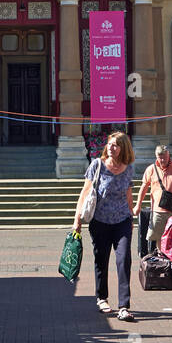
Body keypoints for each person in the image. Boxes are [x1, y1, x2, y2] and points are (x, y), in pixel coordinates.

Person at [73, 131, 136, 321]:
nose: (111, 147)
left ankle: (124, 306)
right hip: (99, 221)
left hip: (122, 221)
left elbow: (128, 194)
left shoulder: (128, 168)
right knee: (101, 260)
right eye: (110, 144)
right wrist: (77, 220)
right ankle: (102, 297)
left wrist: (132, 216)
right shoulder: (97, 165)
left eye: (115, 145)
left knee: (124, 259)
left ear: (123, 148)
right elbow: (85, 193)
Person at [133, 145, 172, 252]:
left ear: (169, 156)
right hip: (157, 210)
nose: (162, 160)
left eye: (165, 157)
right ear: (156, 157)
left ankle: (171, 258)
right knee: (159, 236)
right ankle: (162, 257)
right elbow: (143, 188)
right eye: (160, 157)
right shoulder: (151, 169)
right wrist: (138, 205)